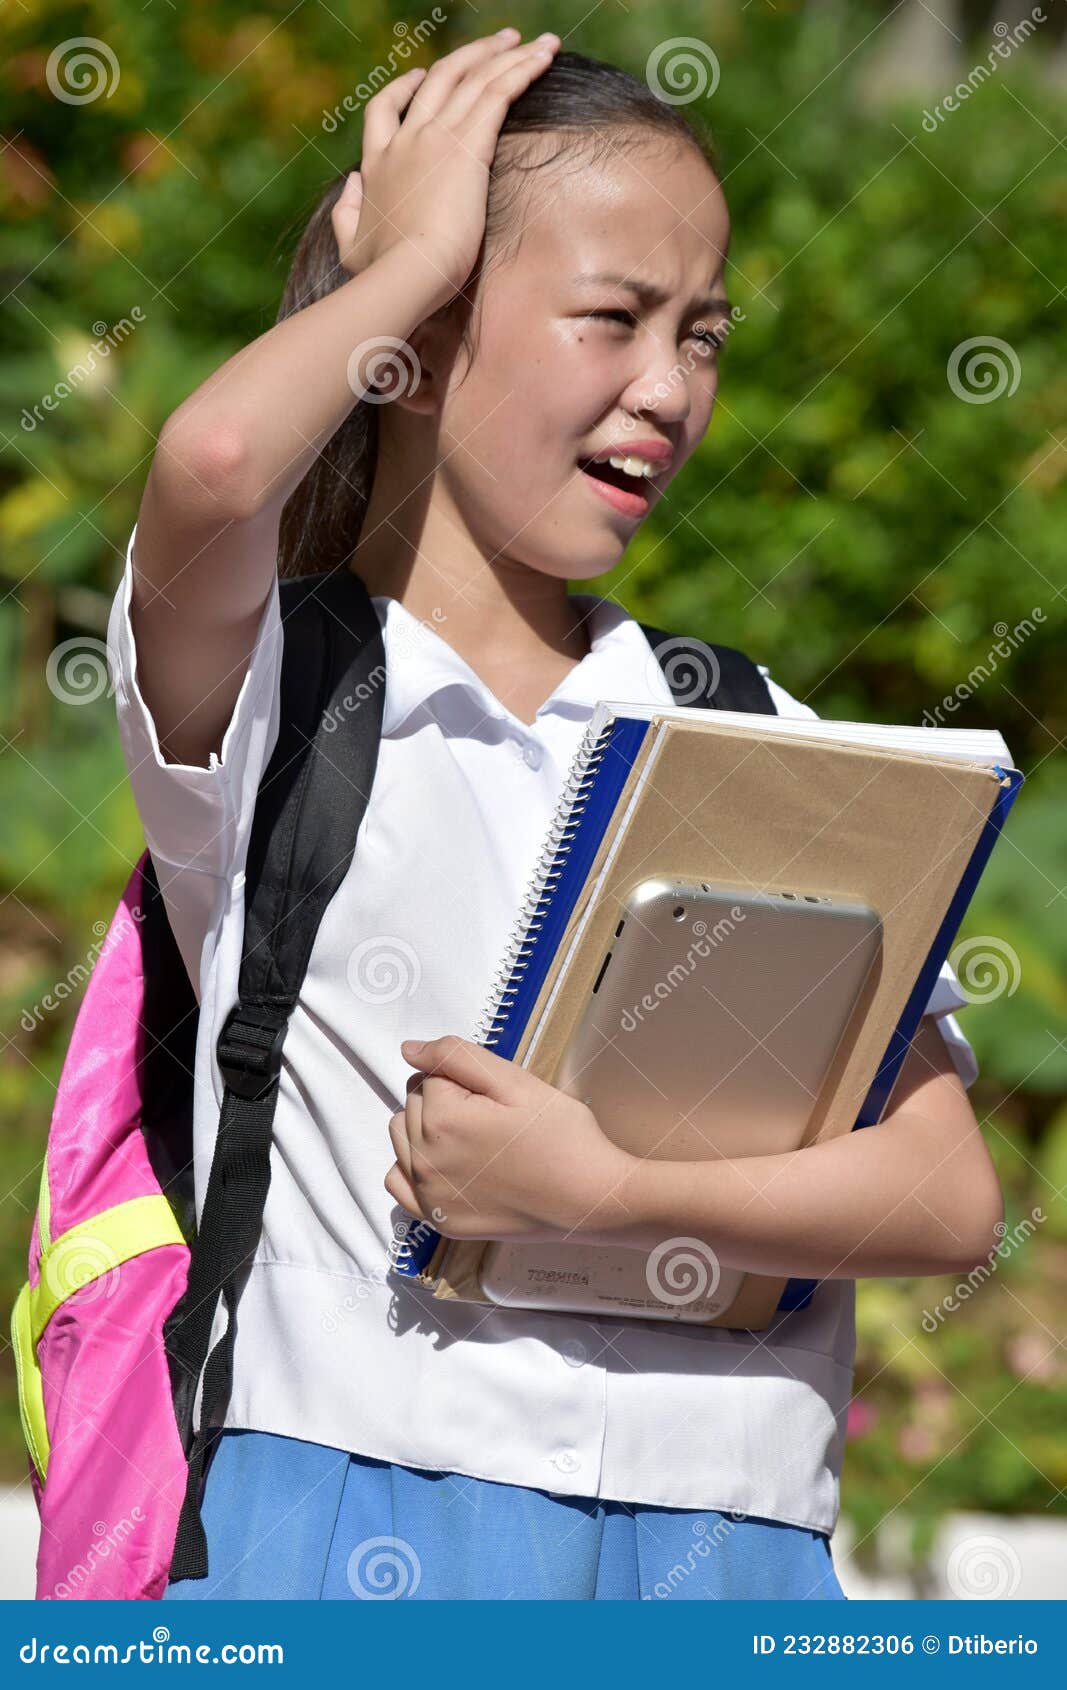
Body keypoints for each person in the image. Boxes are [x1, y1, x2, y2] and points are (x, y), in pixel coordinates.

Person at [105, 30, 1002, 1600]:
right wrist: (409, 259)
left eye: (703, 335)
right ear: (426, 338)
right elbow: (217, 458)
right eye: (614, 320)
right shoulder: (268, 692)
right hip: (347, 1506)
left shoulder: (753, 728)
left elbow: (945, 1191)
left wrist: (611, 1196)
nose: (668, 389)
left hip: (731, 1540)